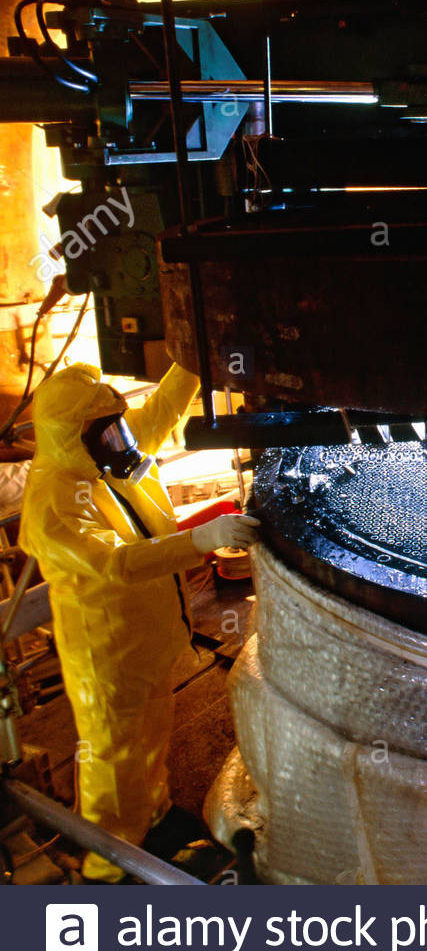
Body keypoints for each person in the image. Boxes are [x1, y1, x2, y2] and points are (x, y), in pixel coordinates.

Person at [19, 362, 259, 882]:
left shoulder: (101, 454)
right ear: (71, 436)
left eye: (116, 424)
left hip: (147, 637)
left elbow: (162, 410)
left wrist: (192, 360)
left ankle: (152, 816)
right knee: (112, 754)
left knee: (151, 735)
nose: (121, 437)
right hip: (106, 652)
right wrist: (203, 539)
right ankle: (109, 865)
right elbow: (115, 563)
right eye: (106, 428)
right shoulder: (55, 498)